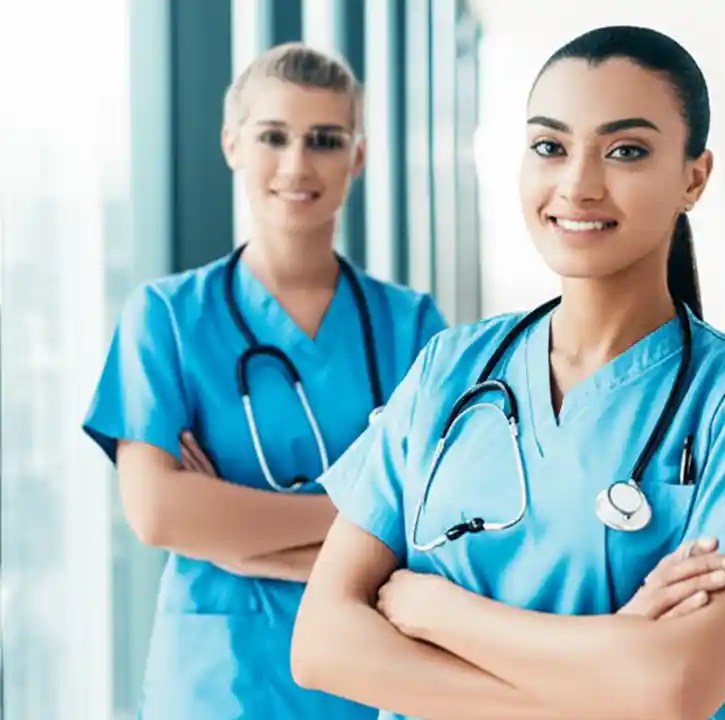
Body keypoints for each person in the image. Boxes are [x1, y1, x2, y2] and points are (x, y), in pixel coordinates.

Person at [290, 25, 725, 720]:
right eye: (550, 147)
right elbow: (320, 644)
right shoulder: (449, 371)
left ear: (693, 178)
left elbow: (675, 690)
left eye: (626, 151)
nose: (578, 184)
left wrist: (433, 610)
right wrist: (608, 669)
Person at [81, 43, 449, 719]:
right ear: (232, 144)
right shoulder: (167, 319)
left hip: (371, 681)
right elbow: (158, 512)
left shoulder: (414, 328)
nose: (297, 165)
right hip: (219, 684)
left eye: (325, 140)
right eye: (273, 136)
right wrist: (363, 529)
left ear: (357, 157)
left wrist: (232, 530)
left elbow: (440, 529)